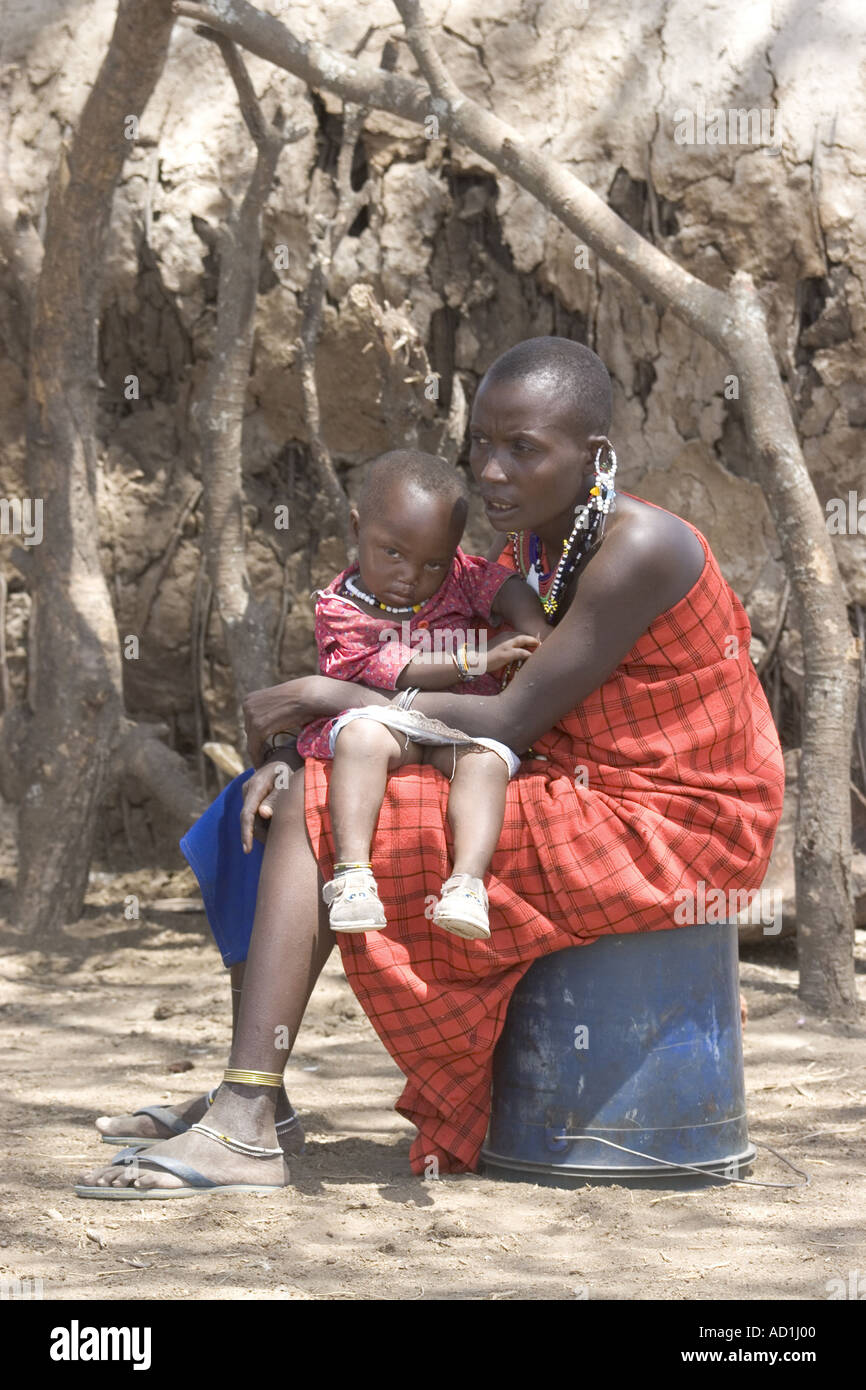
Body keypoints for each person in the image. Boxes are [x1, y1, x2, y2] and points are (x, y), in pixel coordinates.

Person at [78, 336, 785, 1198]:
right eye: (480, 444)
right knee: (257, 803)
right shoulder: (531, 546)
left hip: (675, 817)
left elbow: (513, 717)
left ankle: (244, 1124)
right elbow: (464, 699)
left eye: (522, 449)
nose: (490, 470)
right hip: (566, 773)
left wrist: (324, 698)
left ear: (595, 455)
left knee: (318, 792)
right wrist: (302, 736)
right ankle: (262, 1093)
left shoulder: (638, 548)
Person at [301, 448, 548, 940]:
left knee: (488, 760)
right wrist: (475, 658)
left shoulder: (459, 576)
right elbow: (396, 669)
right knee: (360, 737)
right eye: (392, 553)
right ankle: (353, 877)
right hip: (392, 724)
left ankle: (466, 884)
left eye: (432, 562)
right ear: (355, 529)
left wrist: (534, 627)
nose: (410, 575)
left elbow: (504, 585)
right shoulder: (341, 607)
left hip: (460, 727)